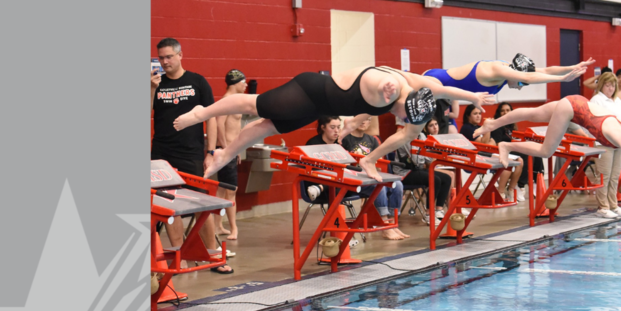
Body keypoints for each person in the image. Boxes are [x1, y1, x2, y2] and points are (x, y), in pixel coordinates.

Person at [172, 65, 495, 180]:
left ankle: (223, 154)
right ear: (400, 102)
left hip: (320, 107)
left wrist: (474, 98)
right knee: (256, 105)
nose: (399, 122)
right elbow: (387, 87)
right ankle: (200, 113)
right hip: (310, 89)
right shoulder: (390, 86)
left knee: (268, 128)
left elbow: (440, 91)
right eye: (401, 116)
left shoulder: (418, 97)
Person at [474, 96, 621, 193]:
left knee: (533, 113)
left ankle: (491, 124)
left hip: (577, 102)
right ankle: (507, 146)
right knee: (546, 150)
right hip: (572, 110)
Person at [150, 38, 232, 274]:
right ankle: (179, 254)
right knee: (169, 206)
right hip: (162, 153)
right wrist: (152, 89)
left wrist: (211, 151)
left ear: (180, 55)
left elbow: (212, 117)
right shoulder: (155, 83)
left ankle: (213, 255)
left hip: (192, 152)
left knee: (201, 205)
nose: (165, 62)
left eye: (169, 57)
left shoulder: (197, 81)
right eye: (161, 58)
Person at [424, 54, 593, 133]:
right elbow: (528, 76)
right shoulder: (497, 70)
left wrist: (573, 67)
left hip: (443, 93)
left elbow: (546, 69)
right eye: (520, 83)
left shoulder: (507, 71)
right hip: (434, 81)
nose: (519, 87)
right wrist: (562, 79)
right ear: (516, 73)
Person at [340, 116, 408, 240]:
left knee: (397, 184)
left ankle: (392, 223)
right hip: (354, 178)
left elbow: (379, 163)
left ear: (370, 123)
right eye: (362, 119)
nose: (364, 121)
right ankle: (384, 224)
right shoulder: (346, 139)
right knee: (379, 186)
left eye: (368, 120)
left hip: (370, 175)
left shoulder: (372, 140)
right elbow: (343, 163)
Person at [589, 72, 621, 218]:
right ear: (601, 85)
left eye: (613, 86)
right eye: (608, 85)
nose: (611, 88)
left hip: (618, 141)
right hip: (603, 142)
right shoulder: (596, 100)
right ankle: (603, 207)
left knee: (614, 175)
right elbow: (593, 122)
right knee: (604, 175)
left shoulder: (616, 101)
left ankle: (613, 204)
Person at [401, 119, 454, 226]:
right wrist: (424, 158)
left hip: (419, 169)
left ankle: (438, 210)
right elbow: (416, 160)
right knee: (435, 179)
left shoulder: (421, 136)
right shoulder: (403, 137)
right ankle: (428, 214)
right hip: (405, 172)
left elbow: (428, 160)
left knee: (447, 178)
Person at [214, 69, 246, 241]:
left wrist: (236, 150)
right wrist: (227, 151)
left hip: (231, 150)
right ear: (235, 82)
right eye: (243, 81)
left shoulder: (233, 101)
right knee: (231, 190)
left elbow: (234, 129)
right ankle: (234, 228)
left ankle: (218, 225)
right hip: (226, 151)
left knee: (222, 190)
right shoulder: (227, 101)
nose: (246, 84)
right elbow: (219, 125)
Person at [489, 102, 540, 201]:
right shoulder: (497, 125)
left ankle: (534, 182)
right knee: (524, 155)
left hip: (512, 149)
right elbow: (498, 143)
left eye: (508, 110)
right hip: (502, 151)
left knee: (536, 152)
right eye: (502, 111)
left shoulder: (511, 125)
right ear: (499, 113)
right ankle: (520, 185)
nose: (505, 113)